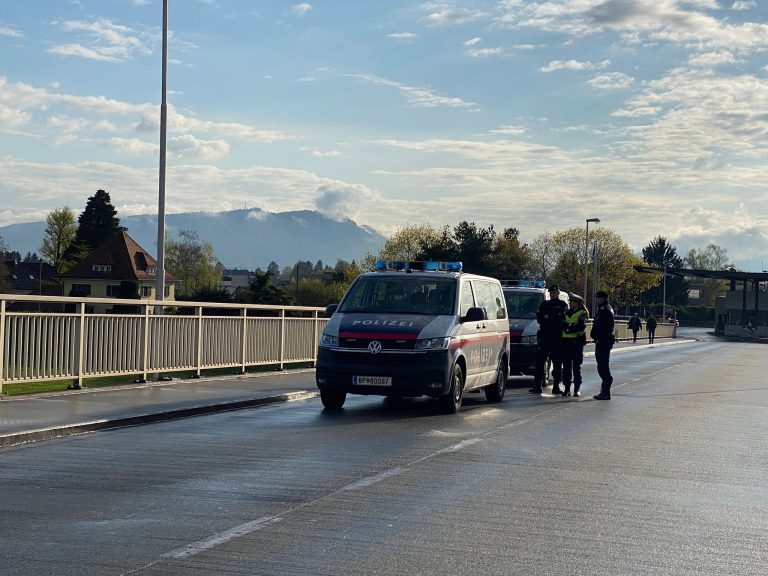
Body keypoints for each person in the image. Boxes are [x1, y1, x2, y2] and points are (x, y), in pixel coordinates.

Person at [530, 284, 568, 395]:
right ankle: (537, 385)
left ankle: (556, 386)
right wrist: (551, 319)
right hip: (545, 337)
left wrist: (549, 319)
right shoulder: (544, 304)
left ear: (558, 293)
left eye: (555, 293)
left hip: (557, 338)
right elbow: (540, 318)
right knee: (540, 362)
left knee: (557, 363)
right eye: (551, 293)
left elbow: (563, 320)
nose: (553, 294)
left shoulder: (562, 305)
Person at [561, 293, 588, 397]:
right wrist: (570, 326)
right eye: (570, 301)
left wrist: (568, 327)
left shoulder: (582, 313)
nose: (570, 303)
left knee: (576, 367)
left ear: (577, 303)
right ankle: (567, 389)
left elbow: (580, 327)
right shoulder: (566, 313)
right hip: (566, 342)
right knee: (566, 368)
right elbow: (561, 325)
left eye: (572, 301)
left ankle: (577, 389)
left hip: (576, 343)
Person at [591, 290, 615, 400]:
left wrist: (600, 338)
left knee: (603, 366)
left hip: (604, 341)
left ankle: (606, 391)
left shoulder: (605, 310)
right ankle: (604, 390)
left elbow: (605, 327)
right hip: (602, 341)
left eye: (598, 298)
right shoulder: (603, 309)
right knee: (601, 365)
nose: (596, 300)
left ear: (603, 299)